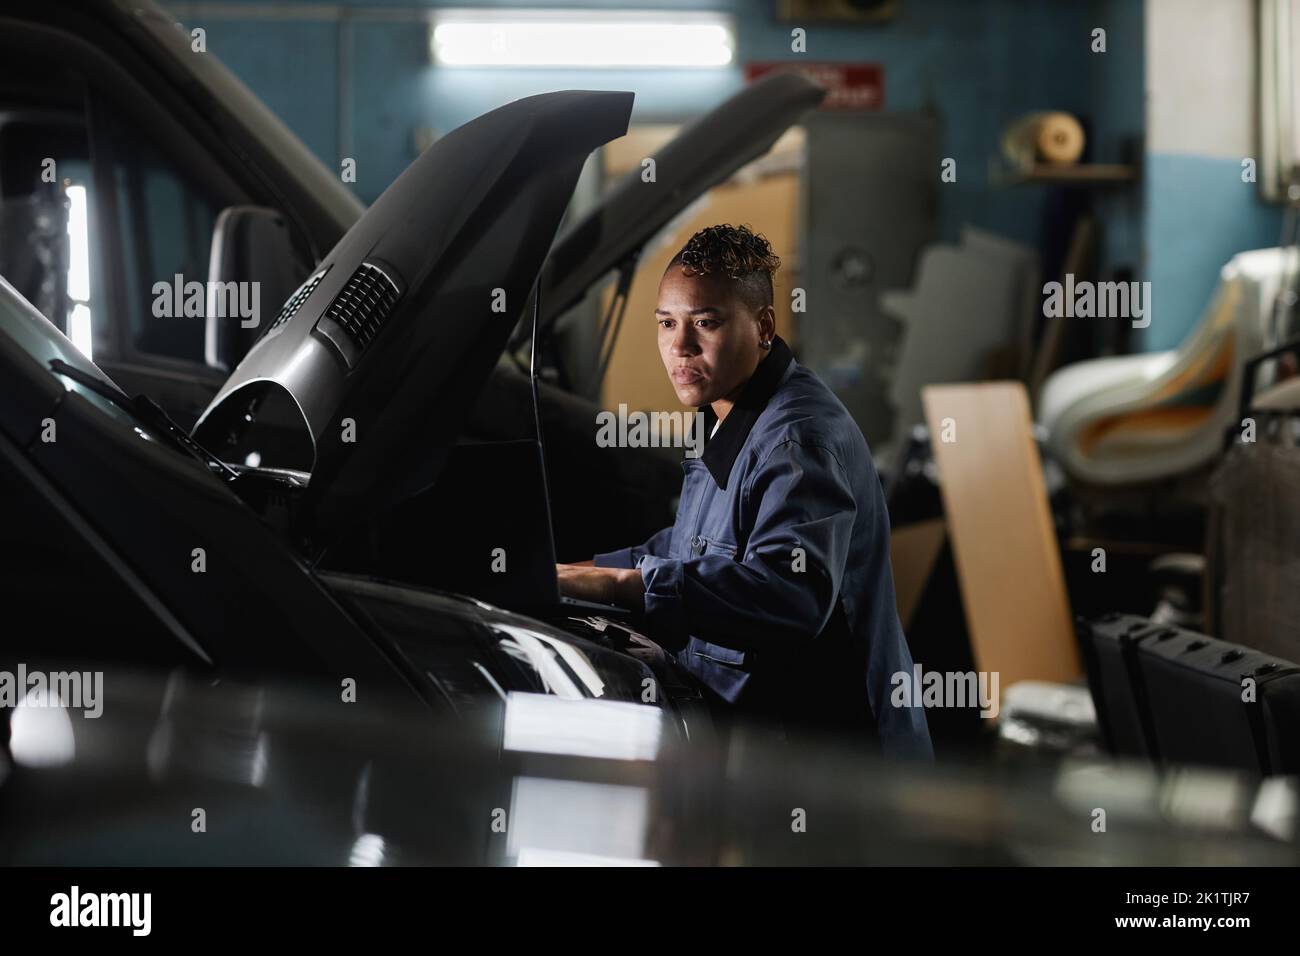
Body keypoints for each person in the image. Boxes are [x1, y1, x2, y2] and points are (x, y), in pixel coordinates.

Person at [557, 224, 932, 759]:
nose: (679, 347)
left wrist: (621, 586)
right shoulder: (727, 410)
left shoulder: (797, 440)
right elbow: (697, 544)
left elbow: (790, 593)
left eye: (705, 323)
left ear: (763, 326)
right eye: (666, 323)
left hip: (842, 766)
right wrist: (577, 574)